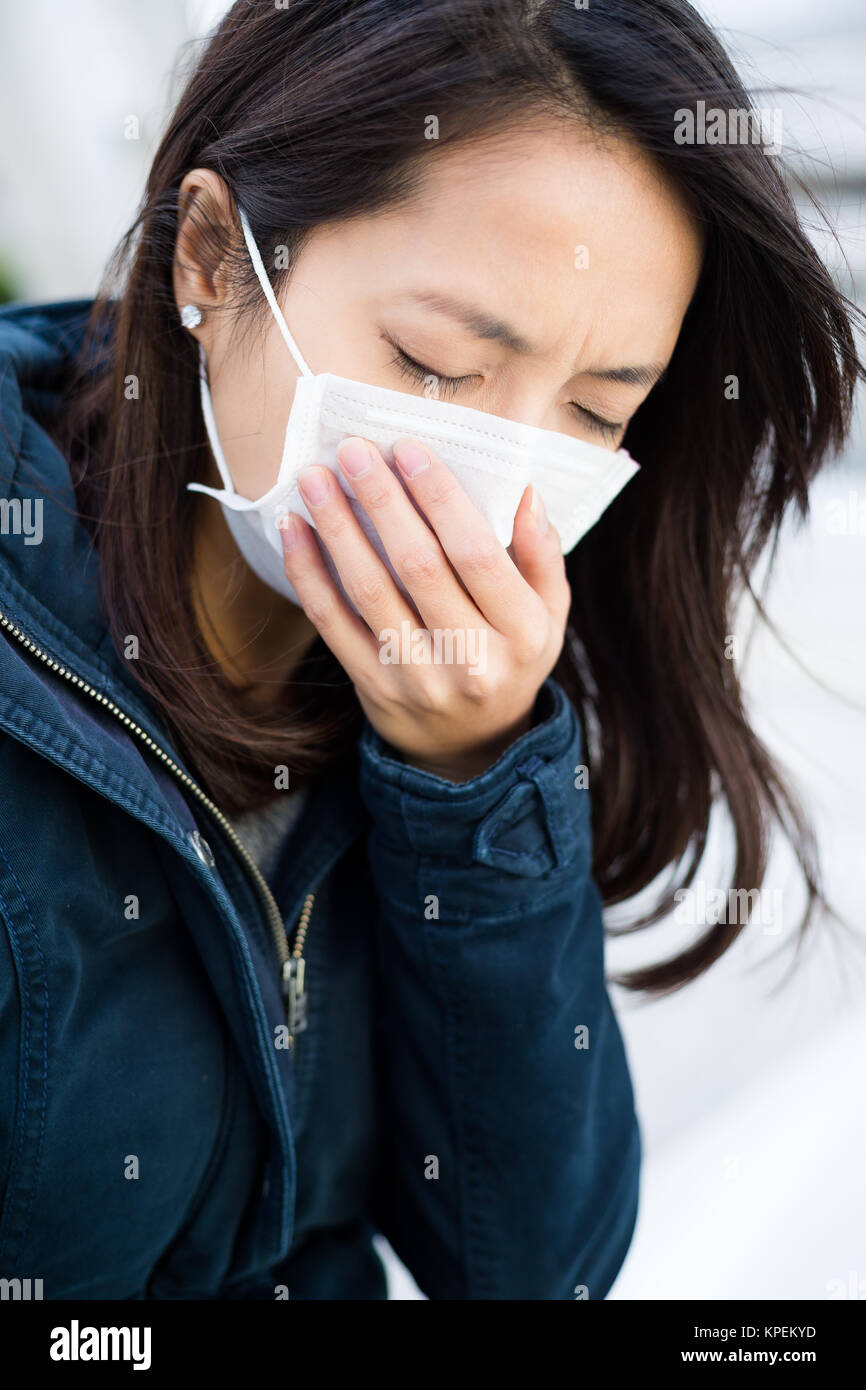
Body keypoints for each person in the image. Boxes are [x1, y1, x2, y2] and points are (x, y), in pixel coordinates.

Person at [0, 0, 860, 1300]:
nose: (489, 486)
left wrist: (464, 778)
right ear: (213, 261)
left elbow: (527, 1268)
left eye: (592, 408)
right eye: (437, 364)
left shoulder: (486, 690)